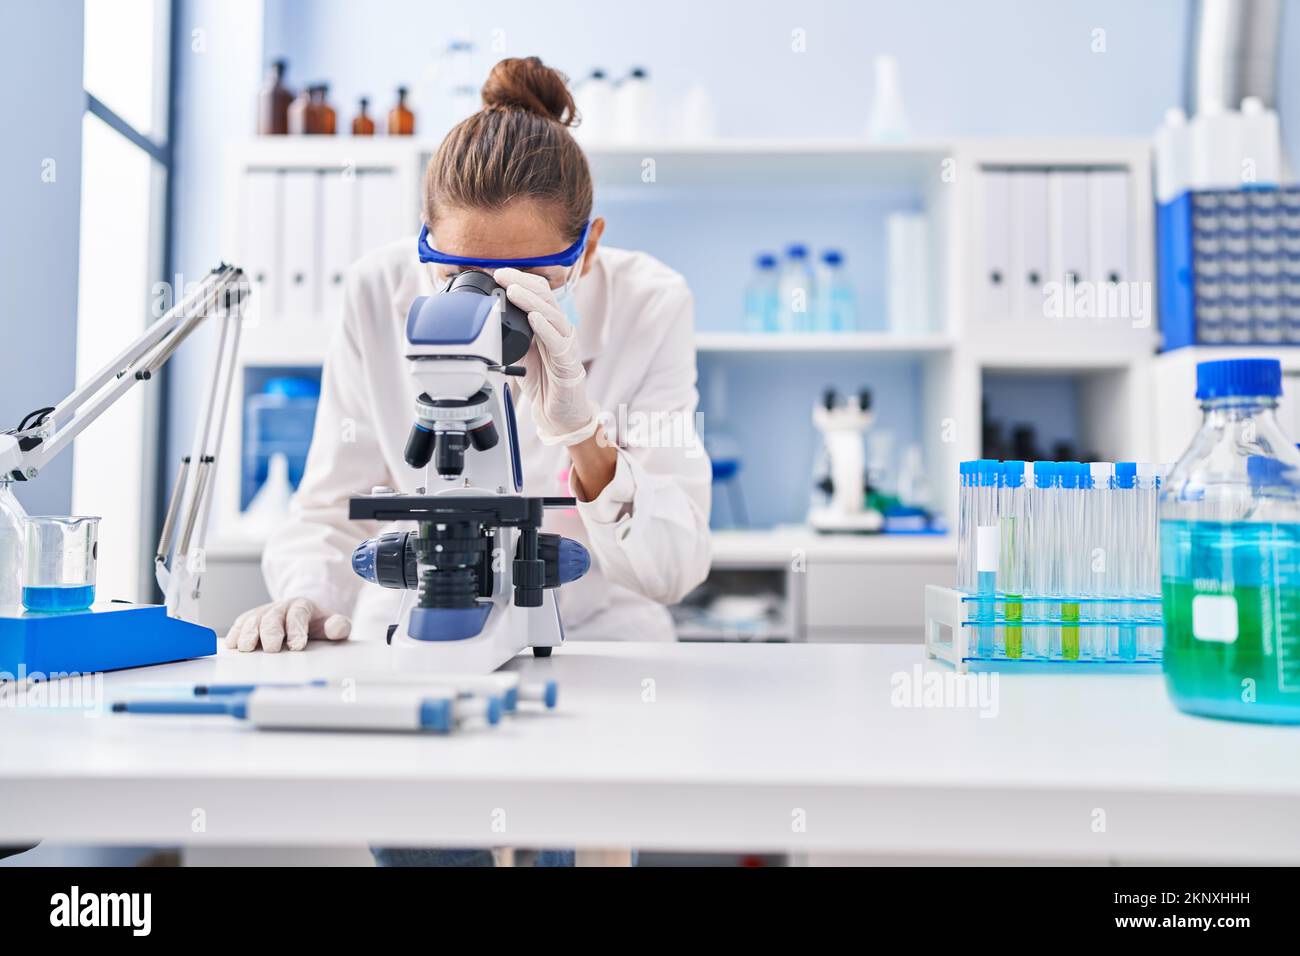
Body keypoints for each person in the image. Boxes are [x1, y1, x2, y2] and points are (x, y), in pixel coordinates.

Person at [225, 57, 712, 864]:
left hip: (594, 641)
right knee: (421, 837)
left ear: (587, 248)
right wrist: (307, 600)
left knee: (574, 836)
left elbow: (675, 562)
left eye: (524, 280)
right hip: (420, 638)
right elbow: (326, 511)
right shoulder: (377, 290)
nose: (484, 300)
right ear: (423, 237)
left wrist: (585, 432)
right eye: (456, 273)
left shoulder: (650, 303)